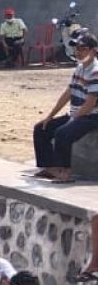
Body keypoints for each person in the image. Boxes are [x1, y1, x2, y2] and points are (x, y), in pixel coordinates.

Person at [31, 32, 98, 182]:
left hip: (91, 116)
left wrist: (72, 120)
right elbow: (68, 93)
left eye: (83, 49)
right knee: (41, 128)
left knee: (62, 133)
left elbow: (90, 104)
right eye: (77, 49)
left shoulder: (95, 71)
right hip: (77, 113)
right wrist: (50, 116)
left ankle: (65, 172)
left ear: (93, 50)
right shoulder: (80, 68)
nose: (78, 52)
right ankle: (50, 167)